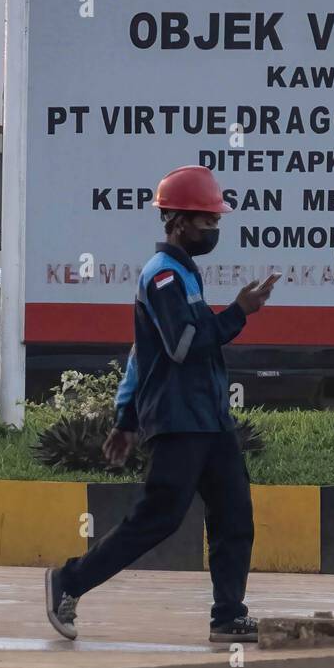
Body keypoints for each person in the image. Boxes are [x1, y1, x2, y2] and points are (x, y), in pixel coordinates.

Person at [45, 165, 279, 643]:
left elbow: (139, 357)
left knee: (235, 516)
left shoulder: (185, 276)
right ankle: (69, 580)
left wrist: (125, 417)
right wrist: (240, 312)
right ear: (176, 221)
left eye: (216, 221)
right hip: (178, 420)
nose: (213, 230)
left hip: (210, 420)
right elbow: (183, 344)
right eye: (206, 222)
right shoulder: (163, 277)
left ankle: (228, 615)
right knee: (158, 518)